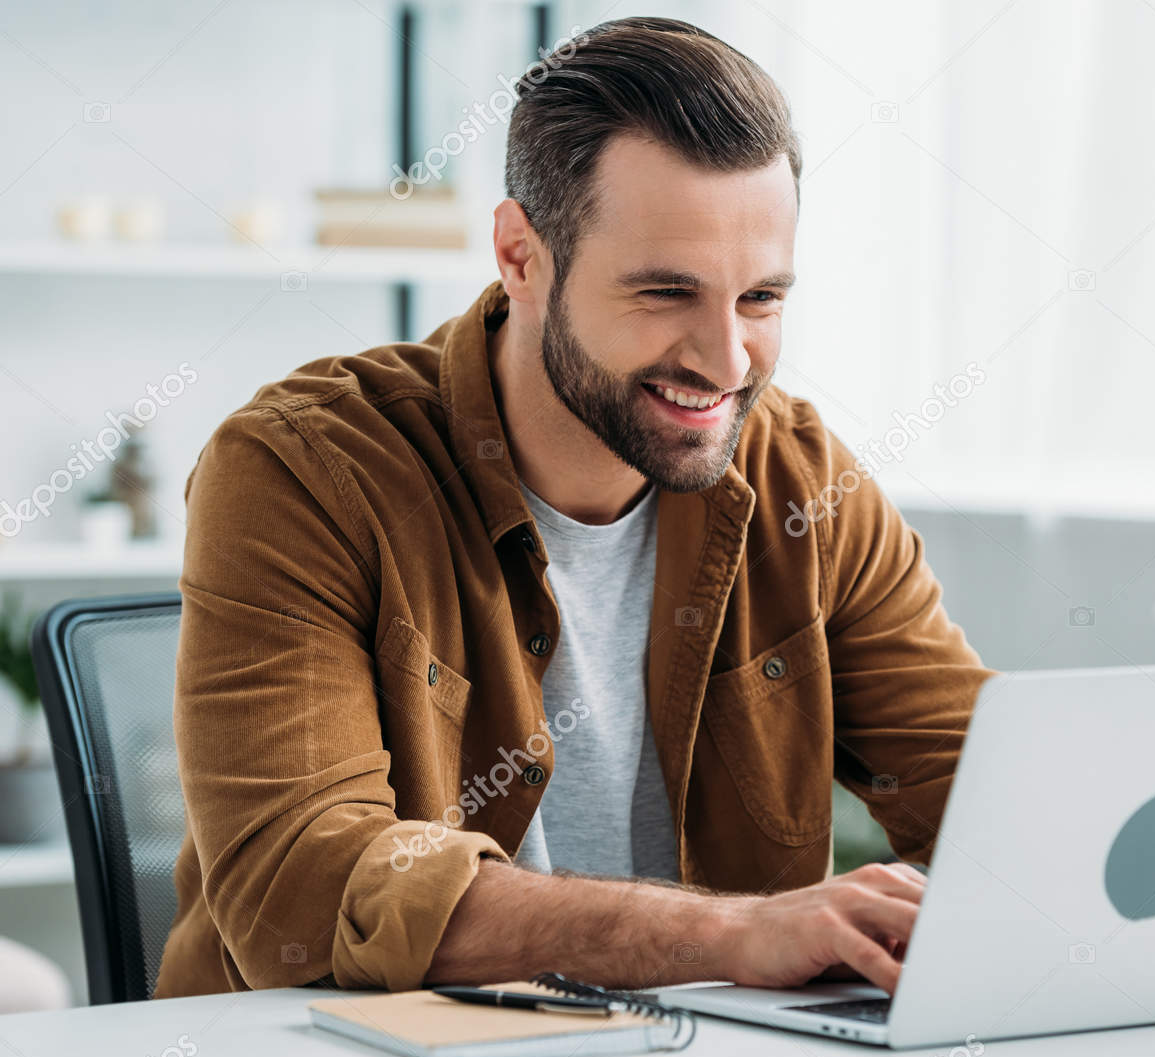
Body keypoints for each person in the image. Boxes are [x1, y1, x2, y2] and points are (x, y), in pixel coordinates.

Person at [154, 16, 991, 1000]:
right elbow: (300, 894)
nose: (726, 363)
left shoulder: (803, 482)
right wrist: (732, 934)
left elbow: (986, 791)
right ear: (521, 254)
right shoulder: (301, 471)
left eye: (761, 298)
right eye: (665, 291)